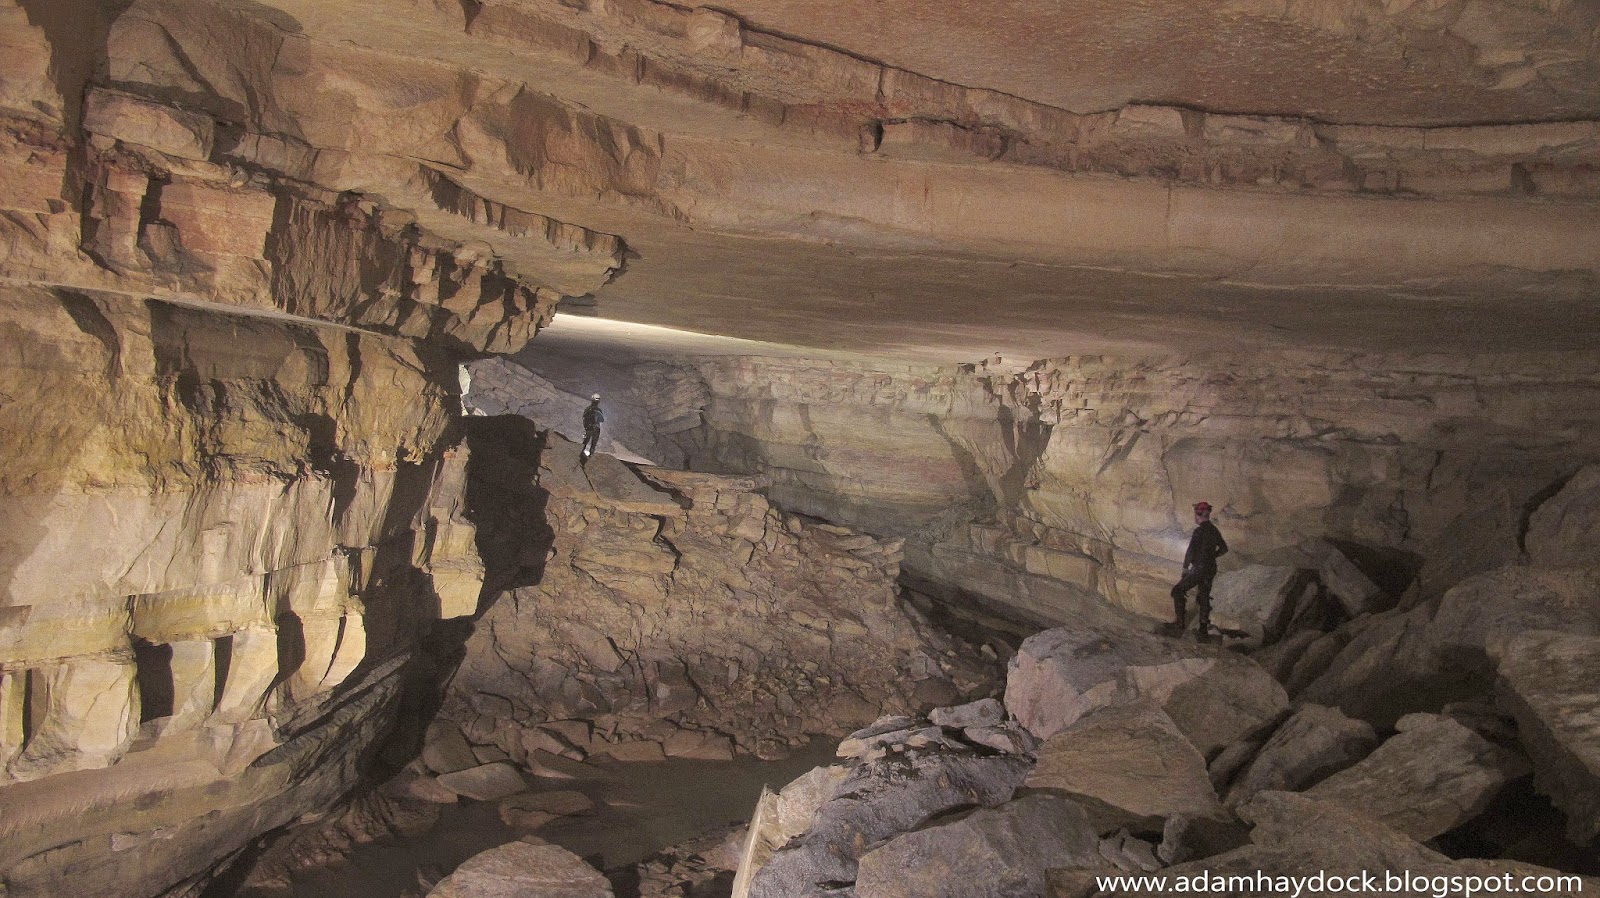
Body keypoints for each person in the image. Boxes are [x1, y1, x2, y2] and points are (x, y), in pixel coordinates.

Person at [1171, 501, 1228, 640]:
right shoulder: (1214, 530)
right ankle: (1203, 629)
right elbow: (1224, 548)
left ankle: (1180, 624)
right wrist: (1212, 556)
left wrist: (1185, 567)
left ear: (1199, 515)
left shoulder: (1199, 531)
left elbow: (1190, 551)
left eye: (1195, 515)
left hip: (1199, 568)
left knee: (1177, 591)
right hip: (1210, 568)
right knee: (1203, 595)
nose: (1194, 518)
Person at [581, 393, 604, 461]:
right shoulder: (598, 410)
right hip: (596, 428)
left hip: (589, 428)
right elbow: (602, 419)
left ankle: (580, 453)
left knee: (585, 442)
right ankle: (591, 456)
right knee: (593, 444)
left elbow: (584, 418)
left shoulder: (587, 409)